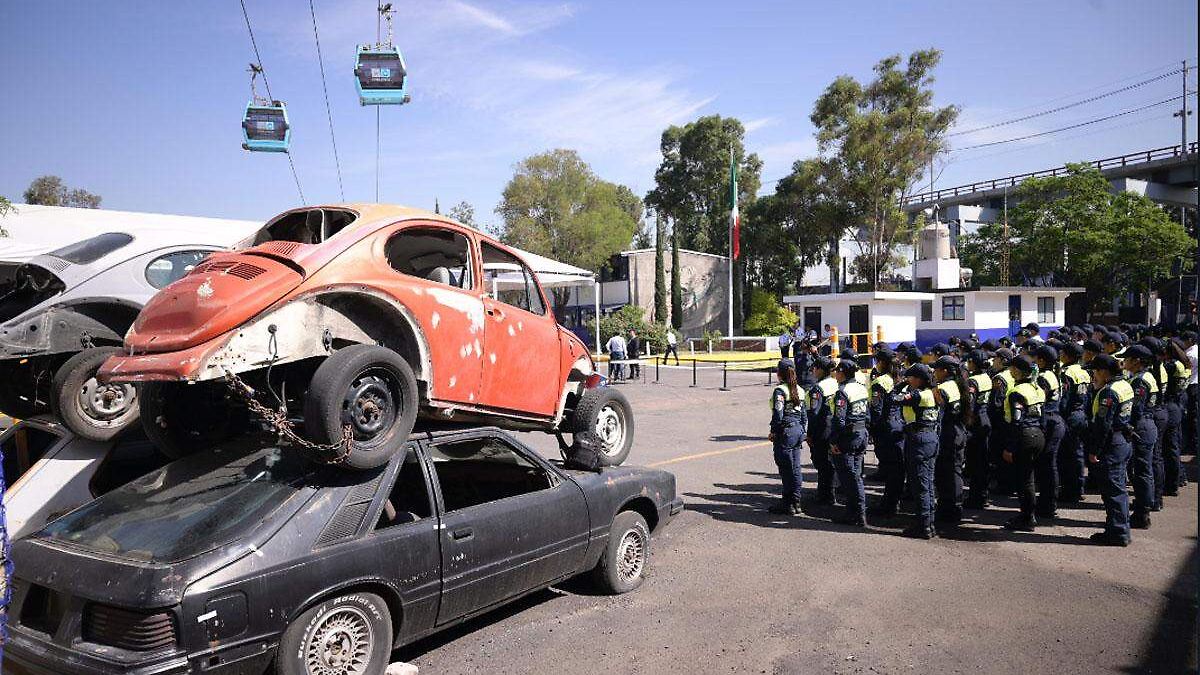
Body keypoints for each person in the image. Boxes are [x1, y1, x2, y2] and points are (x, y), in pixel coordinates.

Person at [1088, 354, 1134, 546]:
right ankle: (1114, 528)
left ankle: (1118, 533)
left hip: (1112, 444)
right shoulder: (1125, 385)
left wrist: (1094, 451)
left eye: (1095, 372)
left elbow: (1103, 425)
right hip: (1123, 439)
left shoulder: (1109, 392)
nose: (1093, 377)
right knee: (1117, 488)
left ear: (1104, 372)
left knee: (1114, 491)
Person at [893, 363, 940, 539]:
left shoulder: (917, 395)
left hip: (918, 440)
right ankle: (930, 523)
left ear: (918, 379)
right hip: (931, 438)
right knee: (928, 483)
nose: (908, 380)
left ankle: (923, 526)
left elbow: (893, 398)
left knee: (919, 484)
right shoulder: (933, 393)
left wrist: (898, 385)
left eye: (910, 377)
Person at [1001, 355, 1046, 532]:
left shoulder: (1017, 392)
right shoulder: (1037, 388)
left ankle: (1027, 517)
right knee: (1030, 478)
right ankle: (1028, 514)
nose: (1009, 371)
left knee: (1024, 480)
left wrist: (1009, 447)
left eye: (1011, 368)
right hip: (1038, 435)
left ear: (1018, 371)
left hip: (1024, 437)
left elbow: (1017, 421)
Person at [829, 360, 870, 526]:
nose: (835, 374)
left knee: (849, 478)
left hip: (847, 437)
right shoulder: (861, 387)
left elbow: (839, 419)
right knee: (856, 476)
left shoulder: (843, 392)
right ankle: (857, 512)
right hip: (861, 433)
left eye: (837, 371)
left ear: (842, 373)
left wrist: (833, 441)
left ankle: (856, 514)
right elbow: (867, 414)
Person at [1123, 345, 1158, 529]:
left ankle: (1143, 512)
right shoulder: (1145, 376)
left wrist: (1128, 428)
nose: (1124, 362)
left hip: (1141, 426)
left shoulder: (1140, 381)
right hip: (1147, 423)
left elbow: (1136, 409)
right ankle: (1143, 506)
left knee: (1141, 471)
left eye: (1127, 358)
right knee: (1143, 469)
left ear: (1136, 361)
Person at [768, 359, 808, 515]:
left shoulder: (780, 391)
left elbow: (778, 414)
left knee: (786, 468)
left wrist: (774, 431)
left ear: (779, 374)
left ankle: (787, 503)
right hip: (797, 430)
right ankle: (796, 501)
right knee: (796, 468)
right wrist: (803, 432)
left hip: (786, 432)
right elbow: (804, 415)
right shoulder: (800, 389)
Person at [932, 355, 967, 524]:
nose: (934, 372)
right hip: (958, 431)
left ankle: (949, 509)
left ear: (944, 371)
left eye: (936, 369)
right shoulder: (958, 384)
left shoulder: (944, 388)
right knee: (954, 471)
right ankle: (953, 507)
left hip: (948, 433)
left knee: (946, 473)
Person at [867, 349, 904, 504]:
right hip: (898, 424)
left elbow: (876, 411)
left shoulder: (880, 382)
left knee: (890, 466)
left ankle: (889, 503)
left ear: (881, 362)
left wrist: (871, 430)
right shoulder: (898, 379)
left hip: (885, 428)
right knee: (897, 466)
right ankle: (894, 499)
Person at [1032, 345, 1065, 520]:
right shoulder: (1053, 374)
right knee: (1049, 464)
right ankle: (1048, 502)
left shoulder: (1044, 377)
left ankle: (1047, 505)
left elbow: (1039, 398)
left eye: (1036, 358)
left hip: (1050, 421)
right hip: (1055, 419)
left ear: (1042, 360)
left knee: (1047, 465)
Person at [1057, 342, 1092, 504]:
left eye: (1063, 353)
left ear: (1069, 356)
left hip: (1070, 415)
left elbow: (1064, 399)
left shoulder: (1066, 373)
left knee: (1066, 455)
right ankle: (1079, 487)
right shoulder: (1084, 371)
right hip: (1082, 413)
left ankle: (1069, 491)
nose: (1061, 355)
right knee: (1078, 452)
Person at [963, 350, 993, 509]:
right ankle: (983, 494)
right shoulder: (987, 377)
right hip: (985, 418)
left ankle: (976, 497)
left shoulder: (972, 381)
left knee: (975, 462)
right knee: (983, 461)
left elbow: (970, 405)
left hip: (976, 423)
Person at [806, 357, 838, 506]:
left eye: (814, 368)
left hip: (822, 429)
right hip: (834, 426)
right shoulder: (835, 383)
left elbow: (814, 414)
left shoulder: (818, 388)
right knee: (829, 462)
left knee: (821, 462)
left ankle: (825, 495)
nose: (813, 371)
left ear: (820, 369)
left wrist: (810, 434)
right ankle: (829, 493)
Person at [1162, 337, 1191, 493]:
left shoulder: (1172, 366)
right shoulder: (1183, 363)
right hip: (1179, 404)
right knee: (1174, 445)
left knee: (1170, 447)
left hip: (1171, 404)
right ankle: (1179, 477)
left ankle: (1172, 483)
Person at [990, 348, 1017, 497]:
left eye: (996, 358)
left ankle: (1004, 486)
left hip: (1002, 421)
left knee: (1002, 455)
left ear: (1003, 360)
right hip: (1012, 418)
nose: (994, 361)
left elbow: (996, 403)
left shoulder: (1000, 378)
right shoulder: (1013, 374)